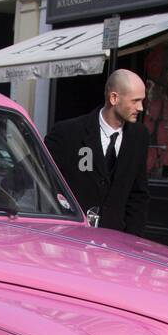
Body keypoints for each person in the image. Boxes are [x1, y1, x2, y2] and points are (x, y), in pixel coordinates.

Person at [43, 69, 150, 233]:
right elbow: (36, 171)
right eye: (135, 101)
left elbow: (138, 194)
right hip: (72, 236)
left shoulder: (139, 136)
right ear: (114, 98)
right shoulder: (68, 133)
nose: (141, 107)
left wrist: (133, 239)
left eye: (142, 101)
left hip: (115, 240)